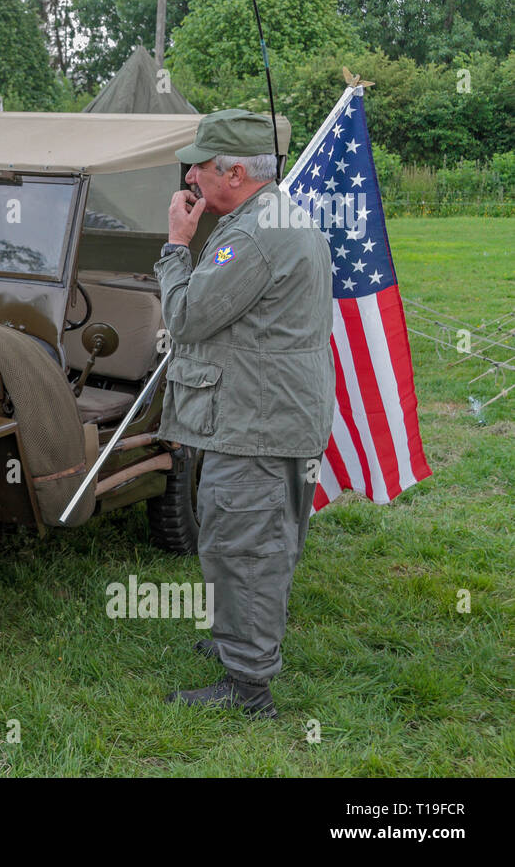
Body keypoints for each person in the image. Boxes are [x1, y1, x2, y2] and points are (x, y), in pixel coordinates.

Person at [154, 109, 335, 719]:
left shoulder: (253, 236)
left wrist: (177, 244)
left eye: (201, 167)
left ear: (234, 172)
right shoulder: (276, 217)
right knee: (256, 538)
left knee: (245, 545)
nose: (192, 177)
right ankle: (241, 643)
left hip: (258, 422)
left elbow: (184, 316)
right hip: (274, 413)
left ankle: (249, 687)